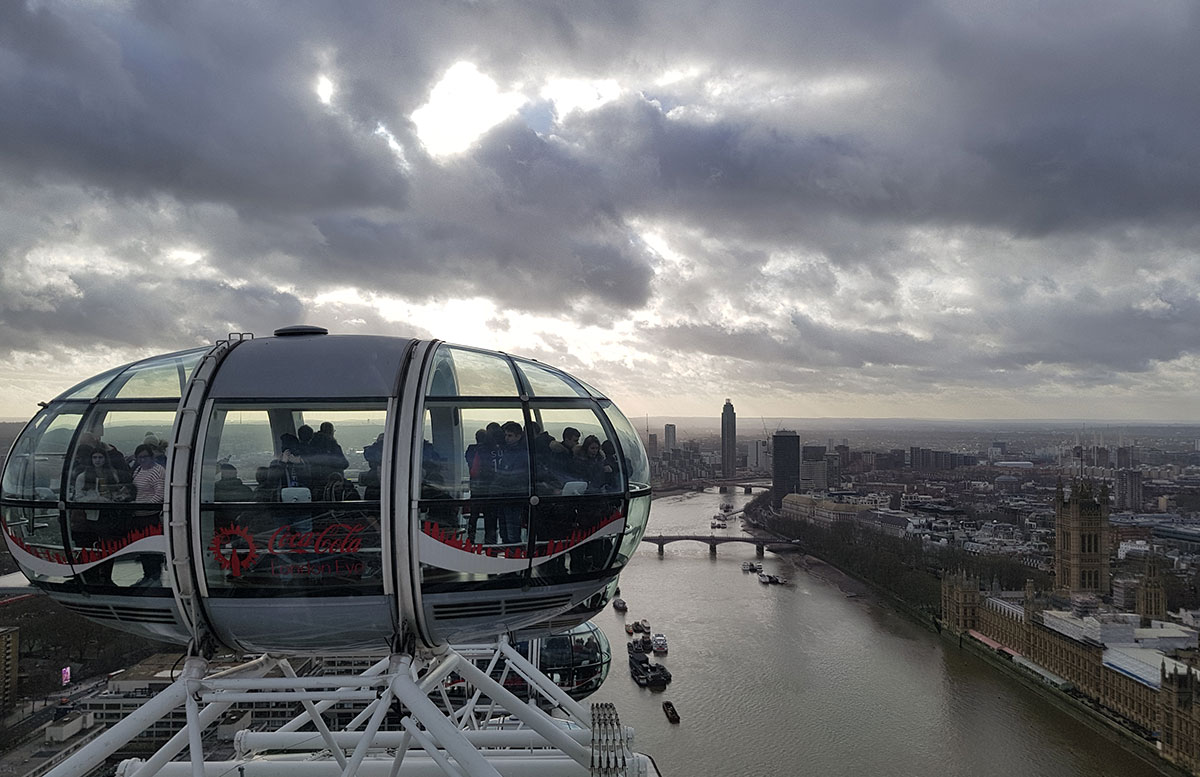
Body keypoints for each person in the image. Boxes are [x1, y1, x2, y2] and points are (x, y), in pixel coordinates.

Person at [130, 443, 166, 586]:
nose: (142, 460)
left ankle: (155, 576)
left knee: (151, 548)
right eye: (139, 457)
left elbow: (160, 494)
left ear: (152, 457)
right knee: (143, 548)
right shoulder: (138, 470)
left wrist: (145, 506)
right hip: (138, 515)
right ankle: (147, 575)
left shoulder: (157, 471)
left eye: (145, 457)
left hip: (150, 516)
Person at [493, 421, 529, 544]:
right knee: (505, 530)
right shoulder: (509, 451)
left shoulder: (520, 454)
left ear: (518, 436)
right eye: (506, 435)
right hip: (506, 495)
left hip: (513, 496)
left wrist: (500, 480)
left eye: (510, 435)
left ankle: (513, 554)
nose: (506, 438)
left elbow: (516, 475)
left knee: (511, 530)